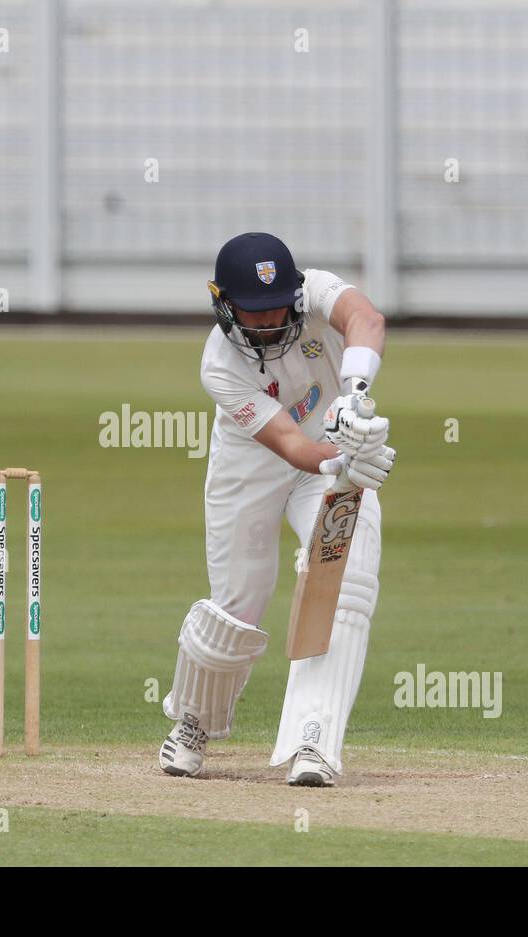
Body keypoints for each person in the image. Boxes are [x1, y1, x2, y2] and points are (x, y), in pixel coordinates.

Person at [159, 232, 395, 785]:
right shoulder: (219, 365)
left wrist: (355, 398)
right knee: (238, 607)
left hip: (333, 448)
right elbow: (294, 447)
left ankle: (314, 741)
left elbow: (368, 319)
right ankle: (195, 720)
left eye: (275, 309)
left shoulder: (313, 292)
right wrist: (339, 461)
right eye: (252, 311)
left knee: (345, 578)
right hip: (254, 466)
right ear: (223, 303)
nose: (267, 322)